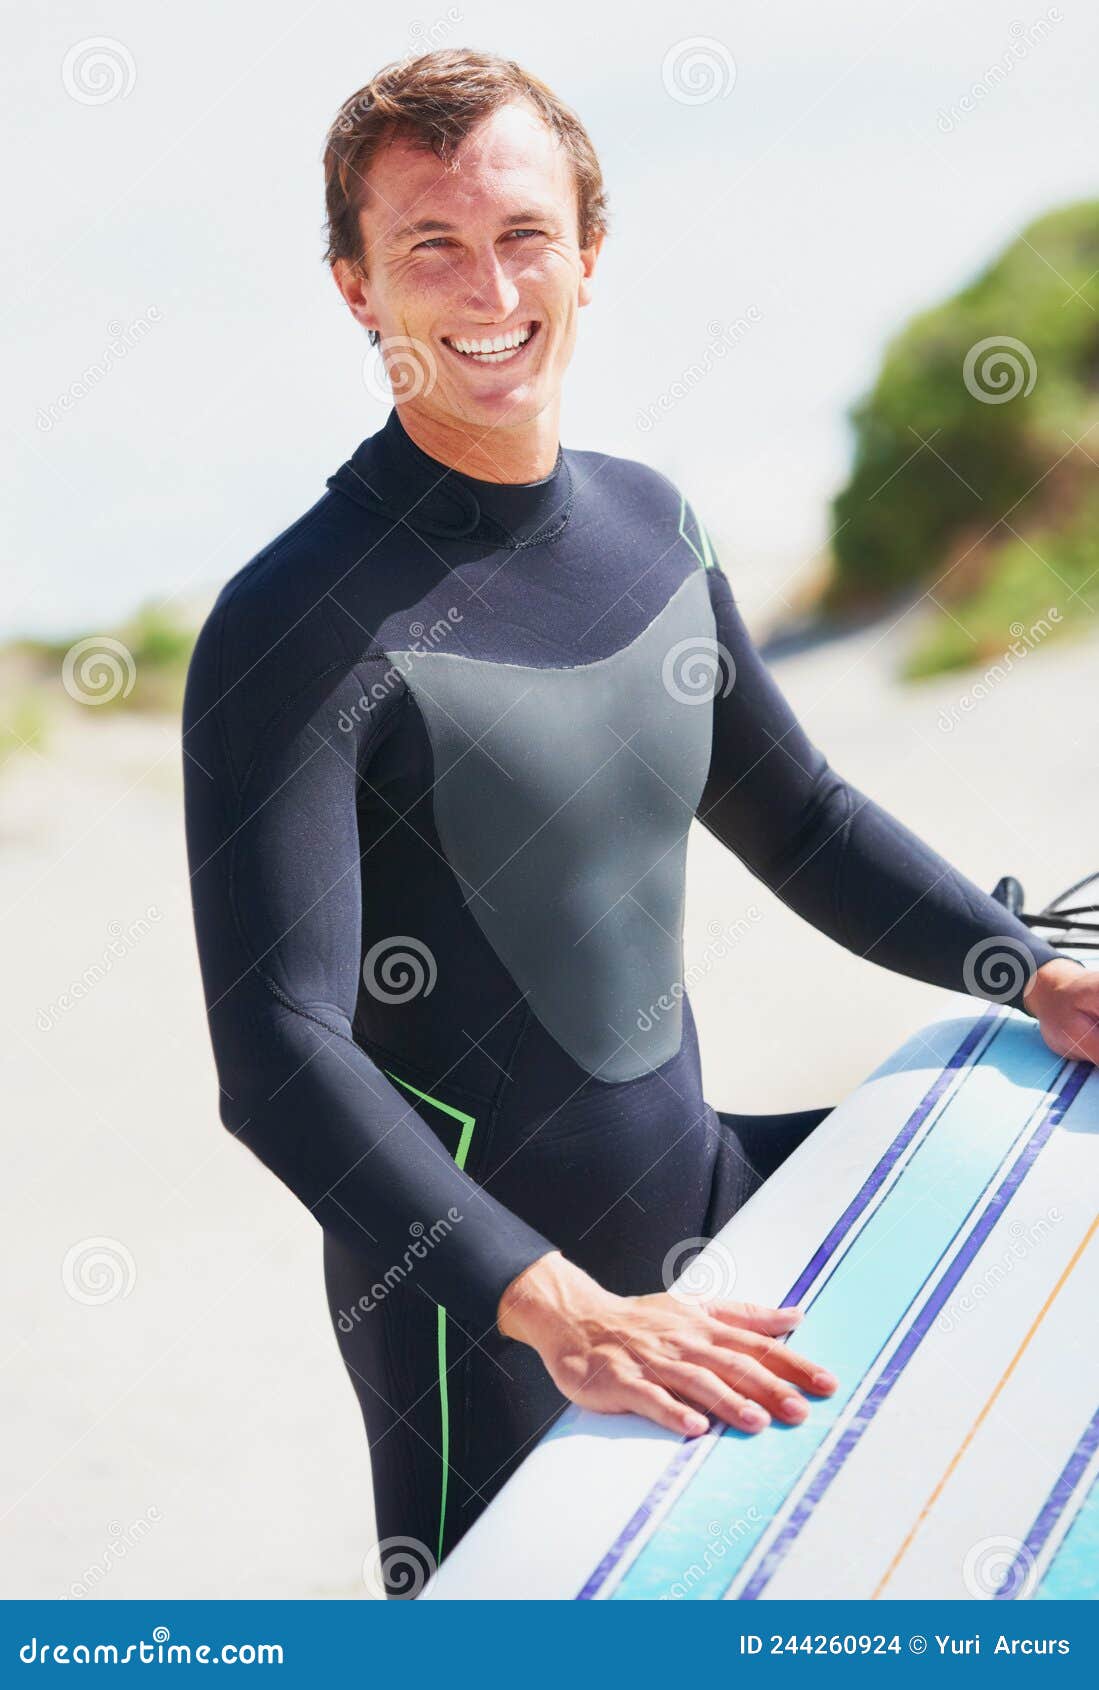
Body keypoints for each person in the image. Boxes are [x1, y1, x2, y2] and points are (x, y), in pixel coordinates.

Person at [182, 47, 1094, 1597]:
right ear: (356, 287)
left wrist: (1028, 971)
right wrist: (561, 1311)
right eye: (431, 247)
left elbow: (799, 816)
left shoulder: (653, 525)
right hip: (486, 1338)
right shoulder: (296, 623)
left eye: (524, 234)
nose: (490, 287)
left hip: (717, 1215)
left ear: (590, 254)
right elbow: (282, 1056)